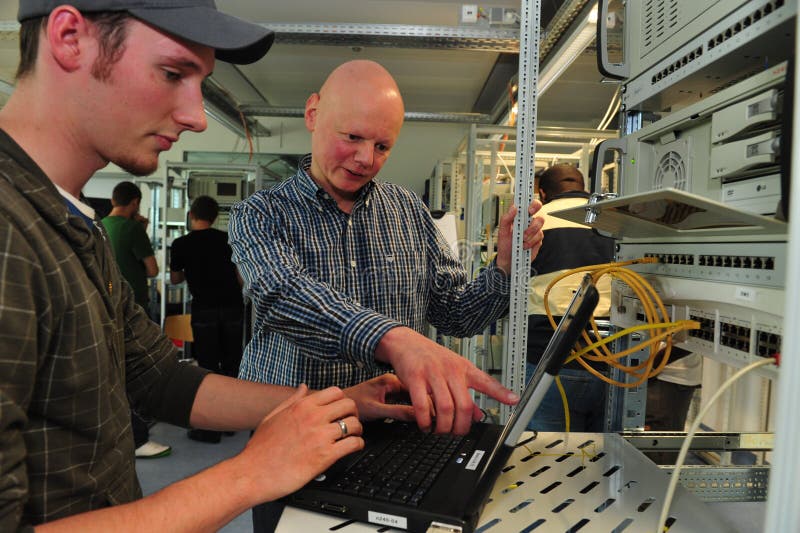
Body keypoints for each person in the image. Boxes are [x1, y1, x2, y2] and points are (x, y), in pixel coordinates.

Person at [0, 2, 418, 531]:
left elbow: (160, 380)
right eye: (172, 73)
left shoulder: (73, 222)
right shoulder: (9, 229)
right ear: (68, 37)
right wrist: (252, 473)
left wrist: (332, 403)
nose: (197, 116)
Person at [229, 59, 545, 438]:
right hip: (294, 430)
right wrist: (396, 341)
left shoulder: (408, 209)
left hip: (395, 427)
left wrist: (505, 267)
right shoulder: (260, 213)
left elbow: (455, 314)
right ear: (313, 113)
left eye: (382, 146)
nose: (366, 159)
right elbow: (282, 294)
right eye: (352, 138)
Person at [525, 164, 615, 432]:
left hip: (551, 359)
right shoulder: (614, 220)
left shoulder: (537, 221)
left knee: (547, 458)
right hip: (611, 363)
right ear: (583, 186)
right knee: (604, 461)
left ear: (542, 192)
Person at [102, 180, 170, 457]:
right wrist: (140, 230)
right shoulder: (133, 229)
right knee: (138, 370)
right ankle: (139, 437)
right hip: (134, 309)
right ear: (135, 203)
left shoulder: (100, 225)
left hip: (105, 306)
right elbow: (152, 270)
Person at [170, 195, 245, 443]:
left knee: (208, 368)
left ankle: (209, 428)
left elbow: (175, 280)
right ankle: (230, 422)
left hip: (204, 310)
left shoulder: (181, 243)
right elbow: (241, 278)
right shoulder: (229, 241)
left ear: (192, 215)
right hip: (233, 308)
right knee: (232, 364)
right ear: (214, 217)